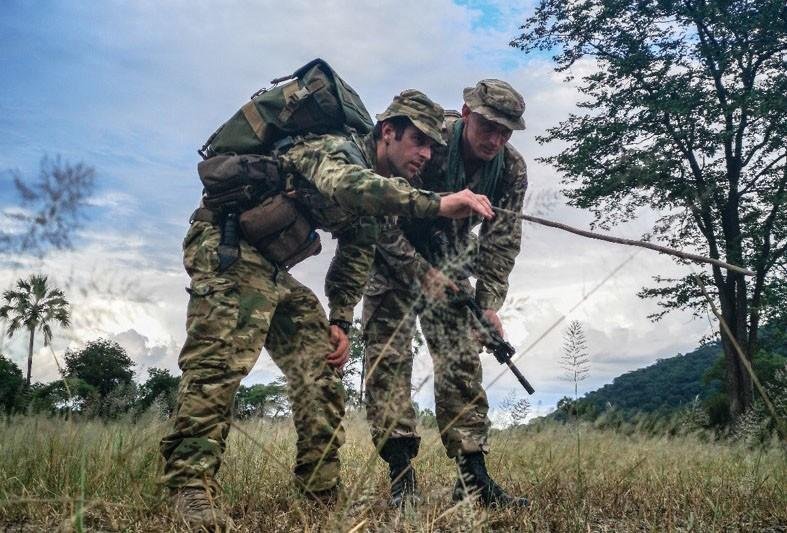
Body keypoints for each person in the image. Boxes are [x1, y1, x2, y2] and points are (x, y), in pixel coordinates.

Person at [159, 89, 495, 530]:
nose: (427, 154)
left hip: (273, 268)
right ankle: (190, 490)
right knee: (218, 365)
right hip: (226, 249)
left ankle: (319, 492)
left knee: (320, 373)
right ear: (388, 131)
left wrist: (339, 319)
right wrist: (436, 203)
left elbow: (354, 257)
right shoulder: (335, 149)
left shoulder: (376, 203)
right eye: (419, 141)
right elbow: (345, 184)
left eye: (434, 145)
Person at [362, 79, 528, 508]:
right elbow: (377, 211)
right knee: (388, 362)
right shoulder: (428, 140)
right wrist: (418, 271)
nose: (495, 140)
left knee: (461, 363)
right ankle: (402, 480)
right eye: (488, 127)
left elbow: (502, 240)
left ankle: (474, 479)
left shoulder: (510, 168)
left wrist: (489, 305)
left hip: (451, 263)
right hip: (392, 255)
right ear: (467, 114)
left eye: (505, 132)